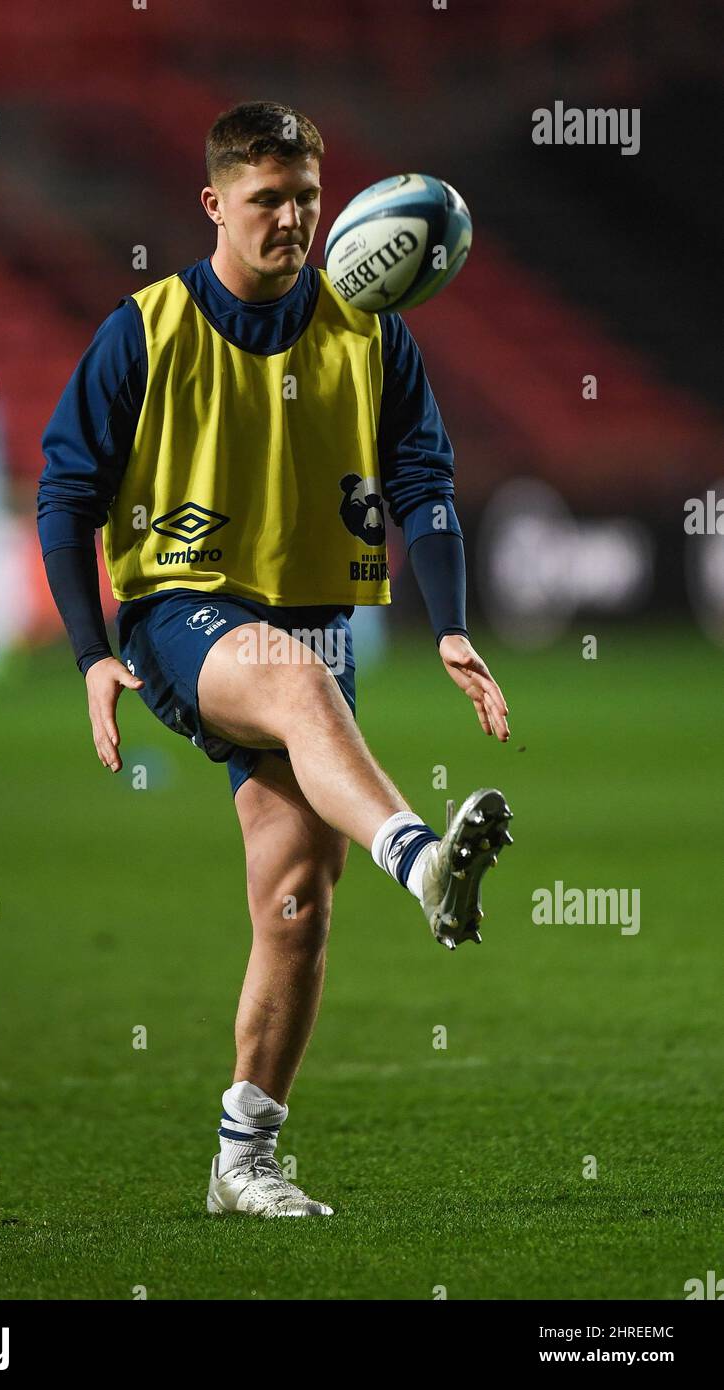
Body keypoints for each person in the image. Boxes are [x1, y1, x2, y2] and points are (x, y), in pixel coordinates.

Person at [37, 100, 513, 1219]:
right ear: (213, 205)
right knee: (295, 685)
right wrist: (87, 654)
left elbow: (424, 485)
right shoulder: (145, 329)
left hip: (313, 615)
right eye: (266, 200)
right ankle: (422, 862)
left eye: (305, 195)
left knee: (296, 898)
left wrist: (445, 620)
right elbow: (66, 492)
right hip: (178, 611)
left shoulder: (370, 329)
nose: (292, 218)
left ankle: (241, 1158)